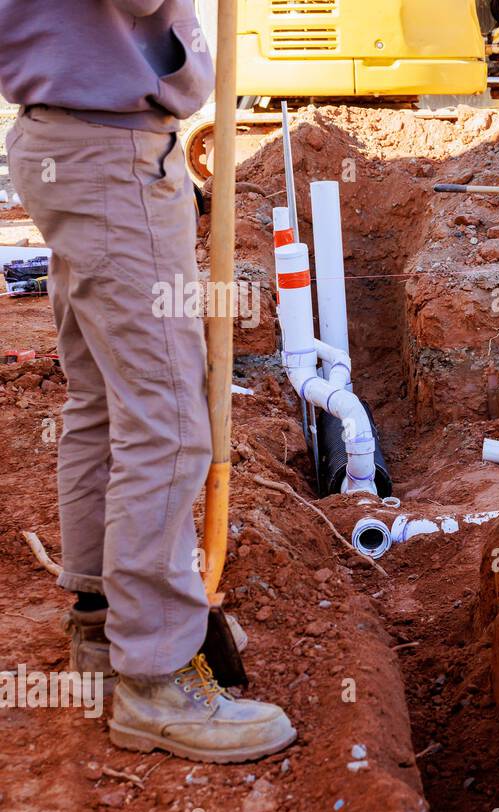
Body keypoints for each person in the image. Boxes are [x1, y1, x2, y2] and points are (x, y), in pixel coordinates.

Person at [1, 0, 295, 762]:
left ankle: (102, 627)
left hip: (70, 140)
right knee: (163, 414)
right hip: (107, 155)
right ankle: (156, 677)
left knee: (105, 400)